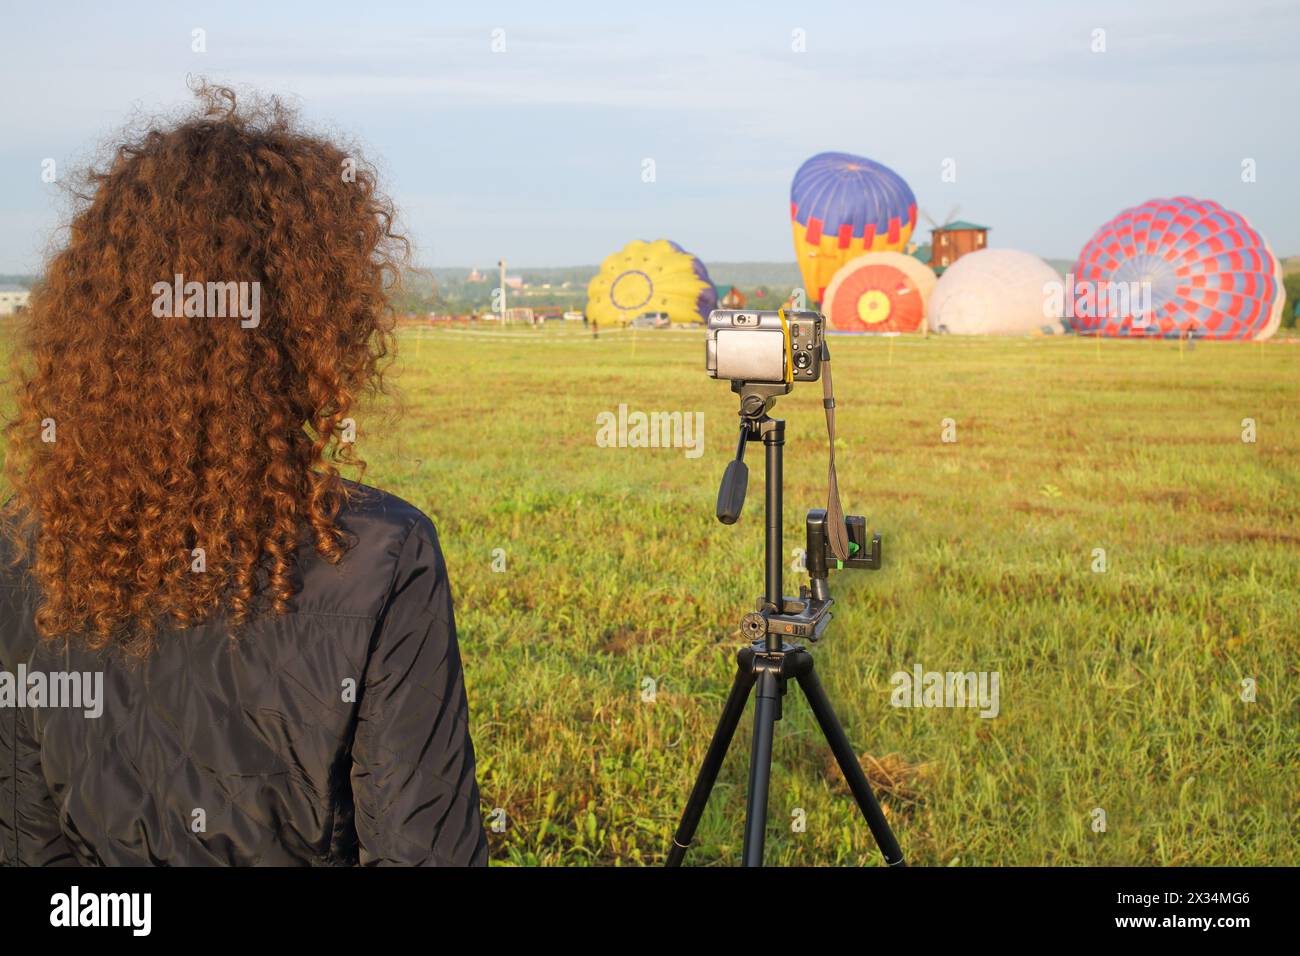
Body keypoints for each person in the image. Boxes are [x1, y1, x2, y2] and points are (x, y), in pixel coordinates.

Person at [0, 85, 488, 866]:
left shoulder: (26, 548)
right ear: (317, 317)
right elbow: (423, 849)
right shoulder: (379, 554)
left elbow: (27, 839)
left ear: (97, 321)